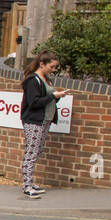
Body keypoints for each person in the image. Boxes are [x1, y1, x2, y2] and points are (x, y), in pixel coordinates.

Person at [19, 51, 69, 198]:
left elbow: (48, 100)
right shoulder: (32, 80)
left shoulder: (46, 80)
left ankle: (30, 182)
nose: (53, 70)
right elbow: (34, 103)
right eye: (51, 67)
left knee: (37, 151)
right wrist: (53, 95)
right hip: (34, 120)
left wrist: (57, 97)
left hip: (45, 119)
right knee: (31, 152)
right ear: (42, 64)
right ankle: (27, 185)